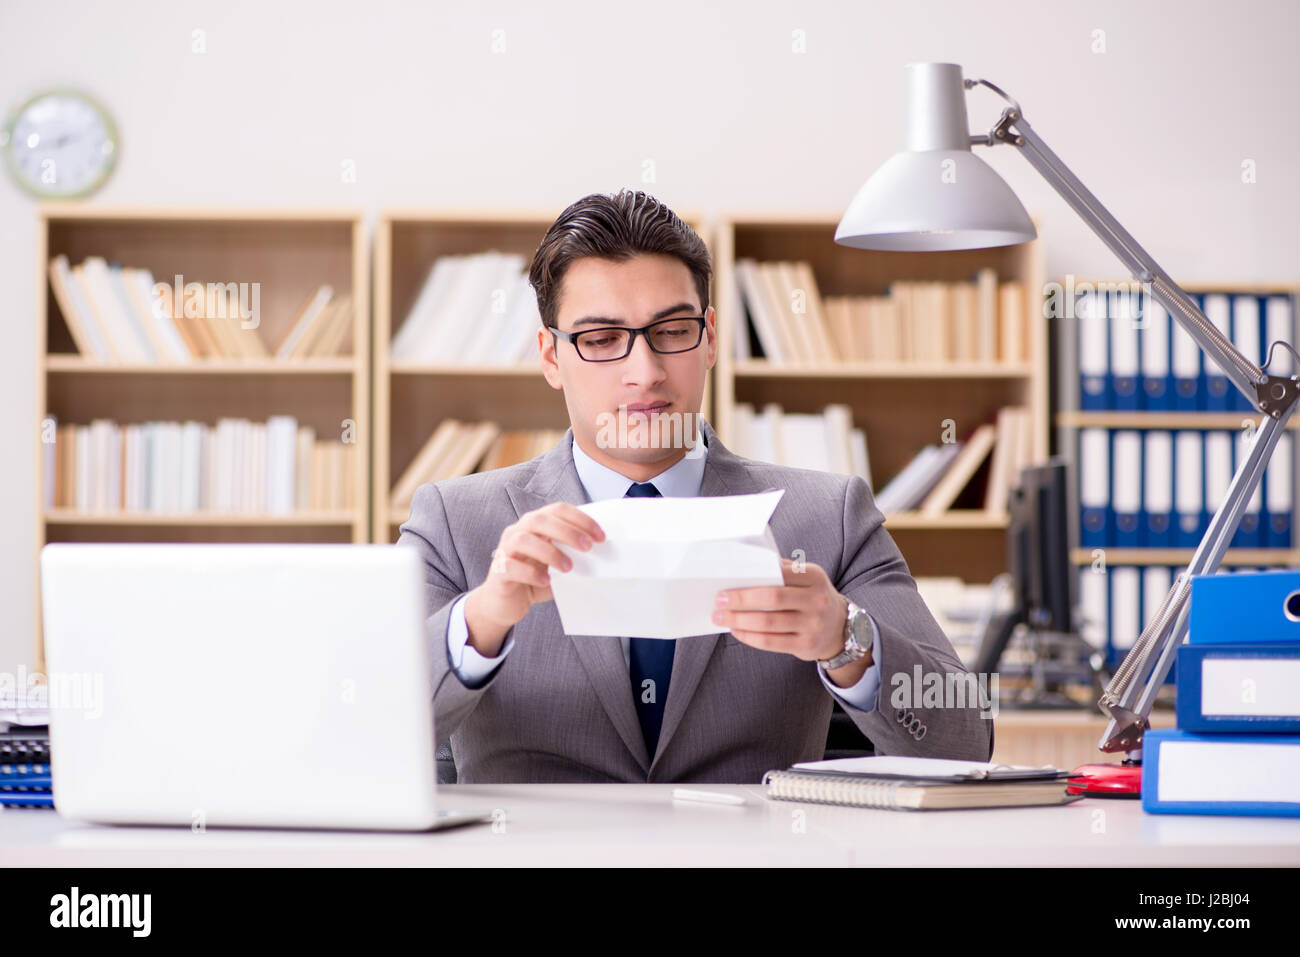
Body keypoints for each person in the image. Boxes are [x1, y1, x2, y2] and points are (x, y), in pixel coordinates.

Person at [398, 189, 994, 783]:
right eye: (602, 339)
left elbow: (966, 739)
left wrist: (848, 640)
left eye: (672, 330)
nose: (646, 372)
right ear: (551, 357)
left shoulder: (830, 515)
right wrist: (479, 621)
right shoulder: (456, 521)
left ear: (709, 337)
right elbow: (364, 731)